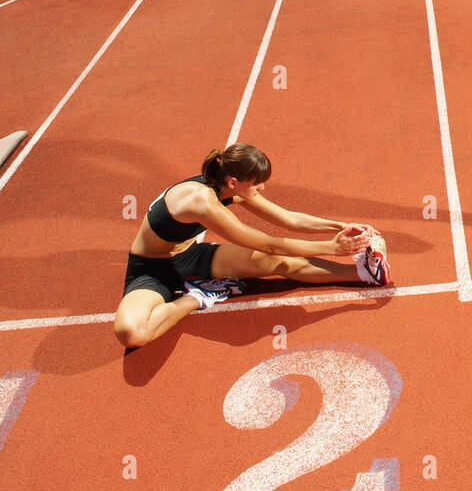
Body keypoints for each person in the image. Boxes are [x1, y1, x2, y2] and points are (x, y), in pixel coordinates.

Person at [114, 143, 391, 349]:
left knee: (278, 264)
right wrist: (331, 248)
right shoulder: (202, 202)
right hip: (150, 270)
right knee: (130, 333)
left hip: (190, 255)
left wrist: (339, 226)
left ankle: (364, 274)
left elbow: (288, 218)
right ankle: (198, 296)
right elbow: (270, 244)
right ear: (234, 182)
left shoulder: (226, 187)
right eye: (257, 184)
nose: (261, 189)